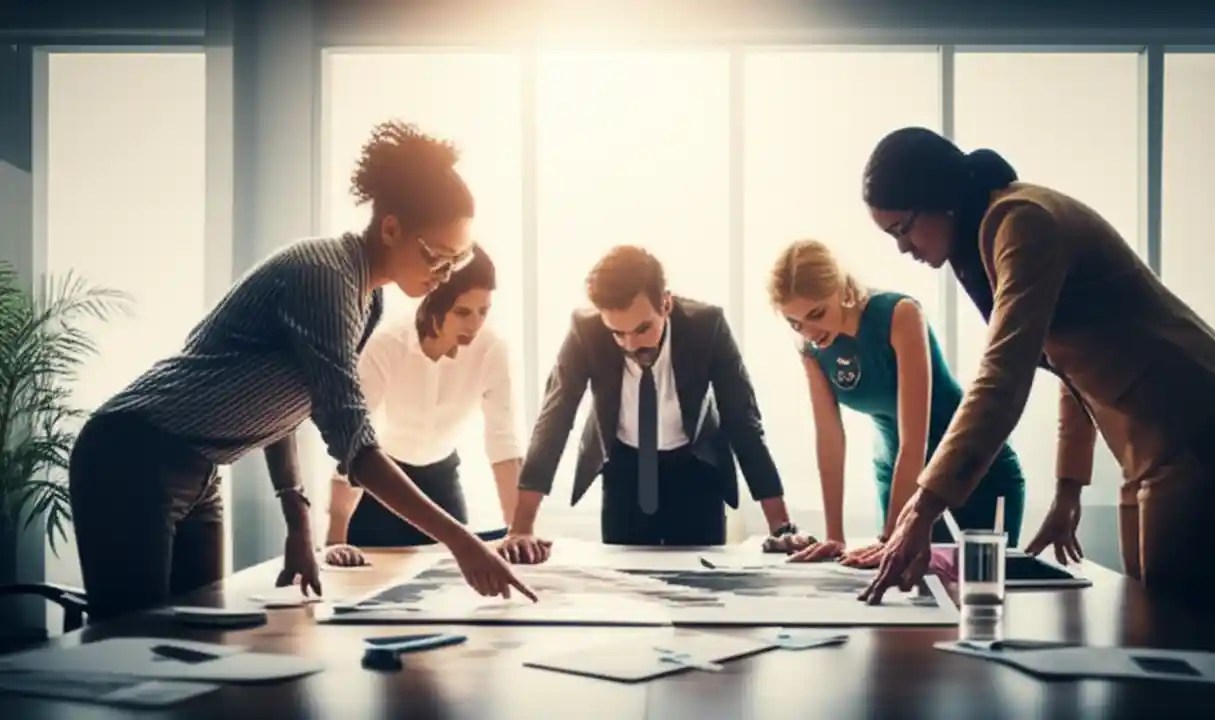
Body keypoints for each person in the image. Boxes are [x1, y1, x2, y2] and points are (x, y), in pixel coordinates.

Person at [68, 120, 533, 621]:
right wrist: (462, 543)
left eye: (455, 261)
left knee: (195, 638)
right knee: (132, 642)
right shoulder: (324, 275)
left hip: (201, 469)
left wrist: (297, 523)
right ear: (392, 228)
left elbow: (284, 407)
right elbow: (353, 441)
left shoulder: (367, 299)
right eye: (437, 256)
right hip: (133, 452)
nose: (444, 274)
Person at [856, 126, 1215, 612]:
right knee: (1155, 619)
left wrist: (923, 506)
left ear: (939, 197)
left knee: (1177, 626)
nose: (903, 247)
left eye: (902, 228)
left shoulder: (1021, 222)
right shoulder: (992, 231)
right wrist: (1068, 491)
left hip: (1197, 422)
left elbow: (1003, 374)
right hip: (1154, 438)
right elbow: (1070, 362)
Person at [496, 245, 815, 562]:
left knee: (703, 588)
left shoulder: (707, 327)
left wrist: (780, 527)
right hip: (624, 471)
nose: (631, 345)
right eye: (618, 334)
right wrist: (521, 527)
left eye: (643, 328)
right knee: (628, 588)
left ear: (666, 303)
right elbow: (555, 418)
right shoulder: (586, 331)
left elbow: (742, 420)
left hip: (696, 471)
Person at [768, 239, 1027, 567]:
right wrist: (835, 535)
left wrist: (893, 535)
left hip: (971, 471)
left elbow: (914, 439)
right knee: (903, 597)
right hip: (897, 480)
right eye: (795, 322)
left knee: (977, 597)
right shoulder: (809, 346)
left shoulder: (899, 315)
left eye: (816, 313)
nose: (809, 330)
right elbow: (830, 437)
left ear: (841, 288)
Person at [323, 245, 524, 567]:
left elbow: (503, 442)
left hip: (441, 478)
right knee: (365, 589)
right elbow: (352, 440)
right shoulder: (387, 345)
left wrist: (520, 529)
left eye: (483, 311)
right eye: (462, 312)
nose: (474, 325)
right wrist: (334, 540)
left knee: (450, 582)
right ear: (434, 305)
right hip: (379, 483)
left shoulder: (492, 349)